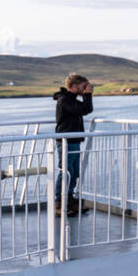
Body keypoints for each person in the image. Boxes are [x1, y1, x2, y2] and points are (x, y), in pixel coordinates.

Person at [52, 73, 93, 216]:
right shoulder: (64, 99)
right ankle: (58, 202)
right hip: (66, 141)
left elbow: (84, 109)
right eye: (83, 86)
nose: (86, 88)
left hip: (74, 140)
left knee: (74, 172)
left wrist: (86, 95)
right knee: (66, 171)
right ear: (74, 86)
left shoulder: (71, 99)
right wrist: (87, 95)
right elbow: (85, 109)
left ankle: (69, 200)